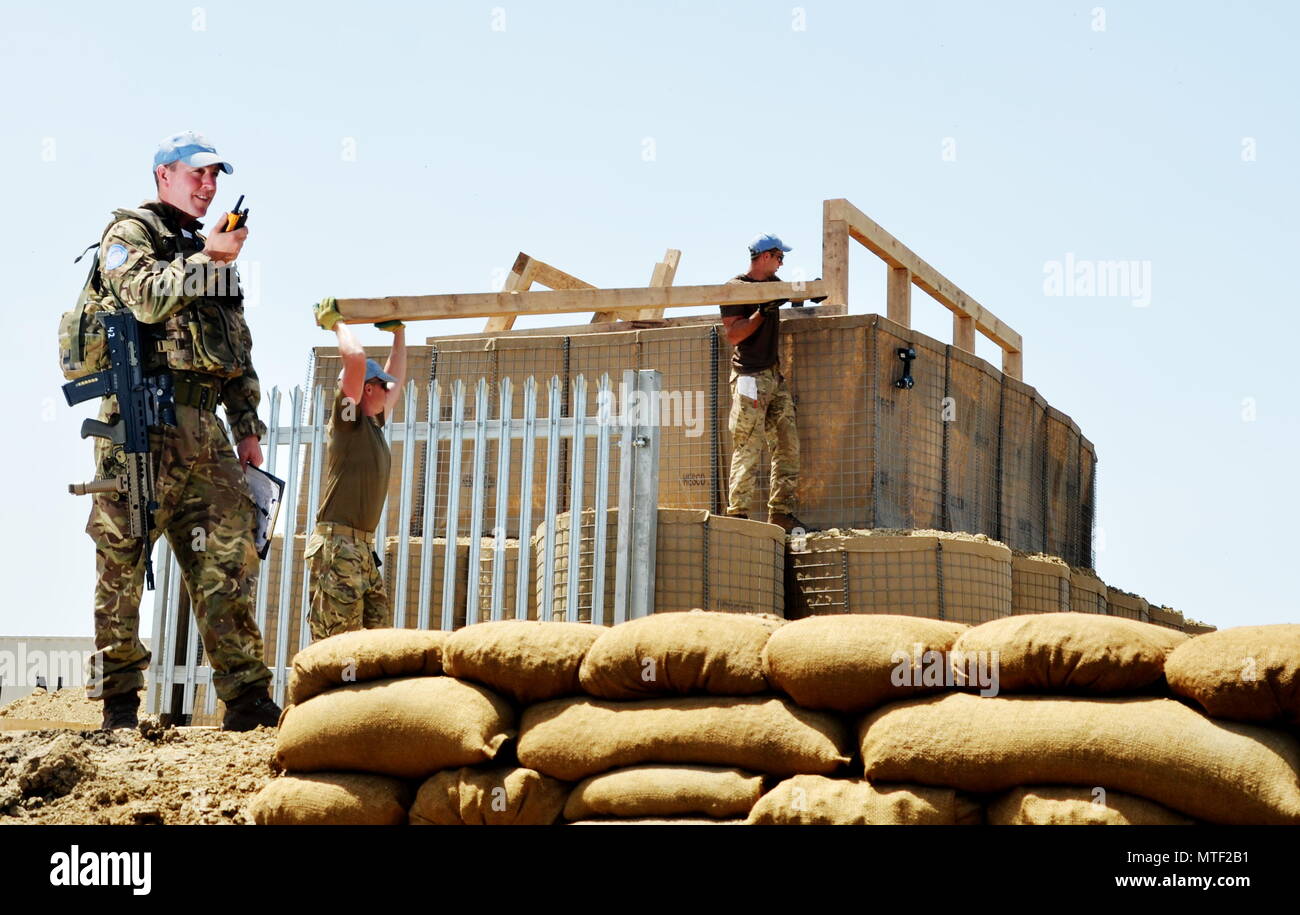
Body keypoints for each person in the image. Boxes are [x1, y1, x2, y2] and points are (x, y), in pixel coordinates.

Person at [83, 131, 280, 731]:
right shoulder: (130, 235)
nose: (208, 185)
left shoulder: (209, 254)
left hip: (206, 430)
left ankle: (247, 700)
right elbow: (144, 298)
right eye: (197, 174)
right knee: (121, 559)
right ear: (164, 175)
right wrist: (207, 260)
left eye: (216, 176)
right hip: (141, 424)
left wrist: (247, 427)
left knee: (229, 560)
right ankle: (118, 704)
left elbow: (237, 351)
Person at [308, 299, 407, 640]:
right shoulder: (348, 421)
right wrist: (336, 324)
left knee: (375, 642)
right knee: (337, 644)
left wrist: (399, 335)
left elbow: (397, 379)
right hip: (339, 546)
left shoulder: (373, 425)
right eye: (382, 385)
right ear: (367, 388)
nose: (389, 390)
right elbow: (354, 361)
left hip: (362, 549)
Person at [718, 233, 805, 533]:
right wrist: (761, 313)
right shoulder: (736, 289)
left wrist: (809, 293)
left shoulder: (773, 285)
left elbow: (796, 293)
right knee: (747, 444)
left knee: (787, 444)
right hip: (749, 377)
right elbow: (734, 335)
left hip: (773, 376)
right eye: (780, 257)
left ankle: (781, 513)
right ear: (765, 256)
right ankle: (738, 515)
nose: (782, 263)